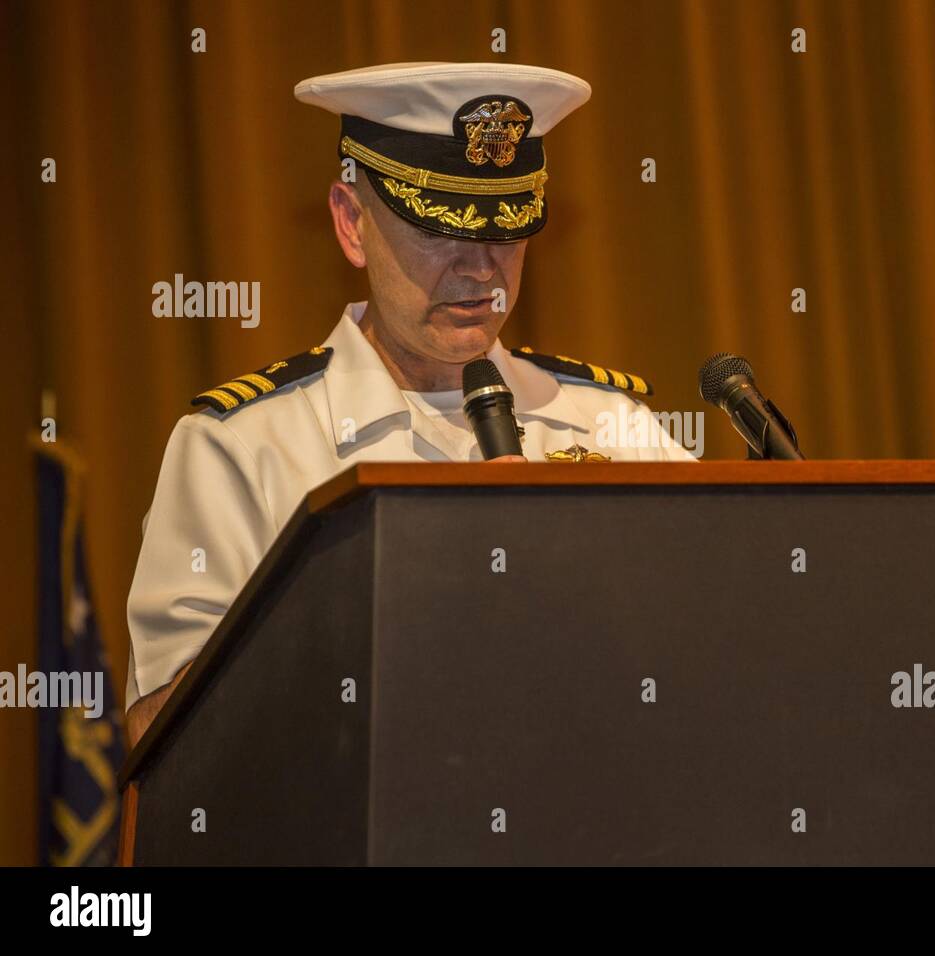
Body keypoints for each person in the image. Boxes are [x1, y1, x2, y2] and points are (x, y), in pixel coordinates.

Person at [124, 62, 696, 746]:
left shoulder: (610, 422)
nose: (480, 267)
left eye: (504, 229)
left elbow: (710, 639)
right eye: (441, 228)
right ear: (350, 223)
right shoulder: (242, 446)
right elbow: (161, 733)